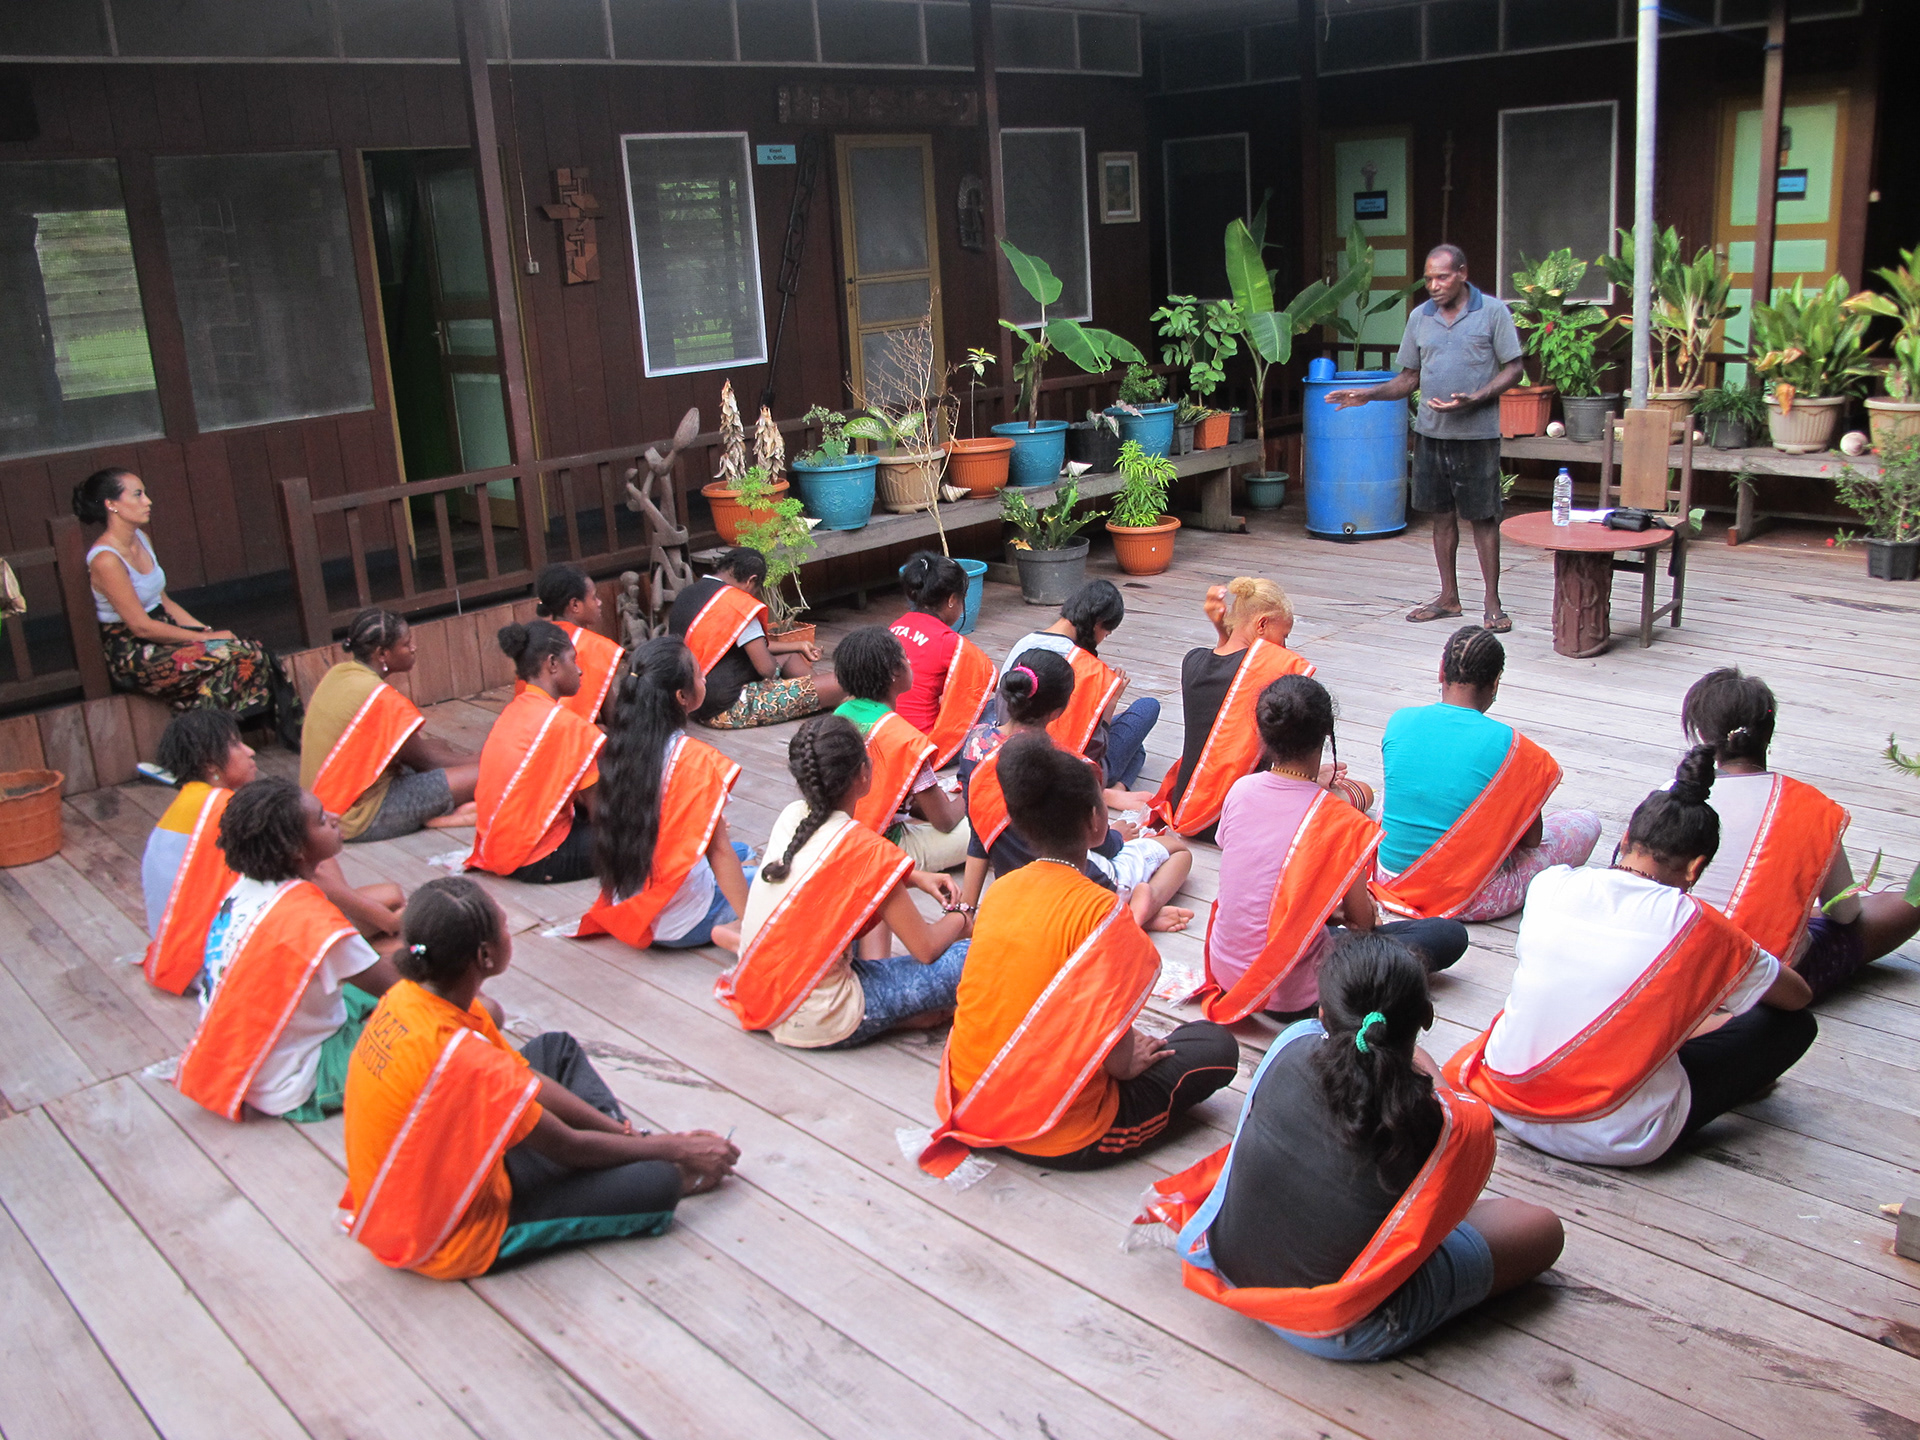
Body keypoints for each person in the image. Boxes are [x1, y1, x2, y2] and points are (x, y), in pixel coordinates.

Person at [1138, 934, 1562, 1362]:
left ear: (1323, 1013)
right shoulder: (1455, 1125)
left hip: (1225, 1262)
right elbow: (1449, 1177)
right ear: (1424, 1021)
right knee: (1542, 1229)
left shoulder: (1291, 1045)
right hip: (1329, 1326)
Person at [341, 877, 739, 1280]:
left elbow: (524, 1076)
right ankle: (621, 1167)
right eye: (504, 925)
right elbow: (569, 1146)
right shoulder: (465, 1058)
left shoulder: (414, 997)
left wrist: (634, 1139)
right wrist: (671, 1151)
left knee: (555, 1050)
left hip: (444, 1164)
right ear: (485, 956)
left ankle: (618, 1155)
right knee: (657, 1184)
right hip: (443, 1233)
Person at [1445, 747, 1817, 1166]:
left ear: (1624, 842)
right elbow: (1796, 997)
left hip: (1511, 1100)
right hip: (1616, 1132)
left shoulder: (1552, 884)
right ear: (1695, 868)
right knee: (1792, 1026)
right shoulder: (1700, 925)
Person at [919, 735, 1238, 1178]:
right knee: (1216, 1047)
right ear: (1096, 822)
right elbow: (1121, 1063)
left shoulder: (1003, 890)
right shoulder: (1103, 911)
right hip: (1058, 1131)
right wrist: (1126, 1059)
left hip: (971, 1098)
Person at [1207, 676, 1468, 1023]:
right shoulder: (1337, 819)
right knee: (1447, 934)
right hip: (1294, 996)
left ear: (1262, 736)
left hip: (1227, 973)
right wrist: (1344, 913)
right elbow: (1362, 922)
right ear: (1326, 737)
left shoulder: (1240, 791)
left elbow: (1258, 870)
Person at [713, 716, 971, 1050]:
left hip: (758, 992)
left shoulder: (792, 815)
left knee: (879, 911)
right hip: (821, 1016)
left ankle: (901, 1008)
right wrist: (964, 917)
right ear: (864, 775)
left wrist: (914, 877)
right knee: (970, 955)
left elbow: (836, 872)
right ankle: (895, 1012)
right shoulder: (868, 850)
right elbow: (926, 948)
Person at [1682, 666, 1920, 1002]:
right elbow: (1845, 912)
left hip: (1679, 961)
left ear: (1704, 736)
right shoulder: (1811, 806)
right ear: (1770, 731)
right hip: (1769, 979)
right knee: (1906, 902)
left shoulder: (1674, 796)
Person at [174, 778, 402, 1122]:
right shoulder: (310, 919)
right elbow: (400, 987)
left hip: (246, 1058)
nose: (336, 817)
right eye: (322, 820)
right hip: (295, 1079)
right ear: (296, 850)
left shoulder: (244, 890)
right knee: (447, 1024)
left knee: (364, 981)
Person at [1325, 246, 1526, 632]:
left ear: (1462, 274)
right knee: (1441, 516)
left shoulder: (1493, 312)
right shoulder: (1420, 317)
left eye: (1442, 277)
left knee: (1483, 518)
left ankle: (1492, 603)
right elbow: (1408, 379)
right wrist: (1365, 395)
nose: (1433, 286)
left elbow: (1514, 369)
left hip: (1477, 435)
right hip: (1432, 432)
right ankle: (1448, 597)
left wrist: (1478, 397)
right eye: (1428, 278)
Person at [142, 711, 402, 994]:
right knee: (394, 921)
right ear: (210, 764)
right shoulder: (227, 810)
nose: (250, 751)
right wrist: (385, 921)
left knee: (387, 898)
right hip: (211, 960)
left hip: (188, 951)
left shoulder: (189, 804)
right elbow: (317, 877)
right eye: (235, 745)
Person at [959, 650, 1193, 935]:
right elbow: (1099, 843)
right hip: (1080, 887)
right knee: (1178, 851)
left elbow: (978, 831)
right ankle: (1133, 914)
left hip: (1018, 882)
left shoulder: (975, 746)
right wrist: (1117, 834)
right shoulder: (1068, 765)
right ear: (1058, 711)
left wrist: (967, 908)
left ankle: (1119, 913)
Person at [1375, 626, 1598, 922]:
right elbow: (1531, 840)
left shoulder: (1400, 721)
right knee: (1585, 823)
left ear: (1441, 672)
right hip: (1469, 897)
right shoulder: (1515, 748)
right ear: (1495, 683)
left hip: (1388, 879)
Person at [576, 636, 752, 950]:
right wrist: (755, 923)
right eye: (699, 674)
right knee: (772, 878)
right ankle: (739, 931)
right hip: (684, 921)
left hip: (634, 910)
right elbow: (719, 852)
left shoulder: (619, 747)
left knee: (744, 852)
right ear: (682, 696)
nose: (705, 679)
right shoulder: (694, 759)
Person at [1152, 577, 1359, 839]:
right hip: (1241, 815)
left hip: (1188, 805)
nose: (1285, 648)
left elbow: (1226, 667)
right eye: (1284, 636)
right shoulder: (1275, 674)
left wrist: (1223, 631)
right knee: (1358, 791)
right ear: (1262, 624)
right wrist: (1307, 777)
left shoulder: (1192, 662)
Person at [73, 468, 278, 720]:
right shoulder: (106, 559)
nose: (147, 501)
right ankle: (199, 732)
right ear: (112, 504)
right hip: (134, 650)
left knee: (250, 648)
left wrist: (206, 631)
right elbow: (141, 627)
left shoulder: (142, 539)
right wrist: (207, 641)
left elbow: (165, 602)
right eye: (138, 495)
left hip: (164, 630)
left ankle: (205, 726)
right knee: (237, 654)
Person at [300, 608, 480, 842]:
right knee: (489, 772)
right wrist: (492, 757)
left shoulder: (339, 674)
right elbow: (429, 762)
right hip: (357, 816)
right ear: (382, 653)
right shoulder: (381, 698)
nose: (413, 648)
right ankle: (460, 812)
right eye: (406, 644)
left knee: (439, 744)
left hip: (322, 805)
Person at [467, 621, 604, 884]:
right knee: (653, 829)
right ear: (552, 664)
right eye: (572, 660)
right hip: (540, 858)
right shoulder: (568, 727)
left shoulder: (514, 711)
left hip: (496, 850)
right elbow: (602, 817)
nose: (579, 670)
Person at [833, 626, 971, 872]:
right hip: (879, 849)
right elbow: (946, 821)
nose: (909, 662)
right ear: (896, 671)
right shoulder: (907, 740)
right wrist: (970, 787)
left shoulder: (840, 714)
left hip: (839, 833)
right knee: (986, 822)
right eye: (906, 657)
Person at [999, 579, 1159, 788]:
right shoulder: (1085, 665)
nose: (1103, 638)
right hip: (1070, 768)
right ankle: (1111, 791)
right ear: (1099, 622)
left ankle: (1118, 788)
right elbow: (1094, 745)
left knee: (1136, 748)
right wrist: (1110, 702)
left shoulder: (1024, 643)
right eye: (1106, 633)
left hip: (1013, 747)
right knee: (1147, 709)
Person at [669, 547, 844, 728]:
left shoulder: (688, 594)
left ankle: (818, 697)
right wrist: (779, 675)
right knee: (841, 683)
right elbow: (766, 670)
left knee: (791, 656)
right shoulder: (738, 604)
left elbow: (725, 645)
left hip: (693, 702)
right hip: (726, 709)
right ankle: (825, 696)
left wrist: (798, 645)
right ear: (751, 580)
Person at [890, 551, 997, 768]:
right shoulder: (950, 642)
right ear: (951, 600)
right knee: (997, 707)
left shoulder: (894, 627)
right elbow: (989, 680)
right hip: (925, 746)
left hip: (888, 737)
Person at [529, 562, 624, 724]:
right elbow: (614, 720)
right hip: (567, 738)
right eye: (594, 597)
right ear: (575, 605)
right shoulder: (597, 648)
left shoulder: (533, 641)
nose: (599, 602)